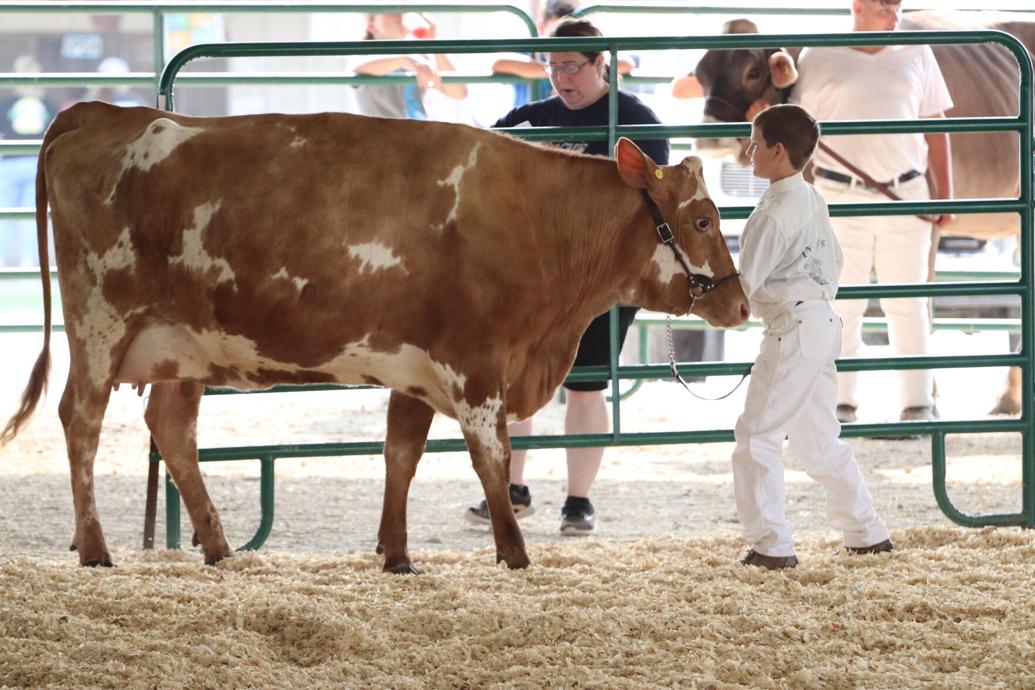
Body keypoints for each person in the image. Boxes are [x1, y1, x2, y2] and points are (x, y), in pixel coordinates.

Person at [462, 18, 670, 535]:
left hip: (602, 276)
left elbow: (653, 201)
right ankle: (510, 490)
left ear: (602, 65)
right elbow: (480, 164)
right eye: (552, 66)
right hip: (535, 277)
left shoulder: (636, 120)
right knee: (515, 379)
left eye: (571, 67)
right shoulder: (530, 120)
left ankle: (578, 501)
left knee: (585, 383)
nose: (560, 78)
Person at [733, 103, 893, 570]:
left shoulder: (773, 212)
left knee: (757, 434)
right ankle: (865, 531)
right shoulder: (811, 196)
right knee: (818, 438)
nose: (750, 151)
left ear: (778, 151)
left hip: (791, 328)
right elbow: (834, 260)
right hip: (821, 321)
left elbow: (746, 286)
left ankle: (771, 545)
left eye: (756, 144)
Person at [790, 0, 954, 425]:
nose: (894, 11)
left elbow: (935, 128)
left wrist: (945, 195)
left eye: (897, 4)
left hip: (906, 190)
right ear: (858, 5)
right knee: (841, 302)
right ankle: (841, 403)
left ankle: (917, 405)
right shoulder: (818, 54)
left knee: (908, 301)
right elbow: (798, 124)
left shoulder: (917, 52)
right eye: (885, 4)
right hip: (839, 193)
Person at [491, 1, 633, 106]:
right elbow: (499, 63)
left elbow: (627, 63)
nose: (561, 38)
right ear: (542, 27)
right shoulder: (528, 52)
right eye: (556, 31)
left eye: (567, 32)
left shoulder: (627, 108)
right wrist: (560, 69)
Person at [351, 12, 467, 120]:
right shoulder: (364, 53)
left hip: (421, 134)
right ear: (372, 25)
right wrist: (406, 60)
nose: (401, 13)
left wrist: (434, 43)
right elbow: (359, 68)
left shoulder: (418, 56)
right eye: (391, 9)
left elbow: (459, 92)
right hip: (385, 137)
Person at [0, 55, 57, 267]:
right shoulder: (48, 105)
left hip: (10, 163)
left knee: (4, 215)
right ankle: (29, 263)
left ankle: (2, 261)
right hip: (35, 162)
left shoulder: (6, 104)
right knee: (32, 217)